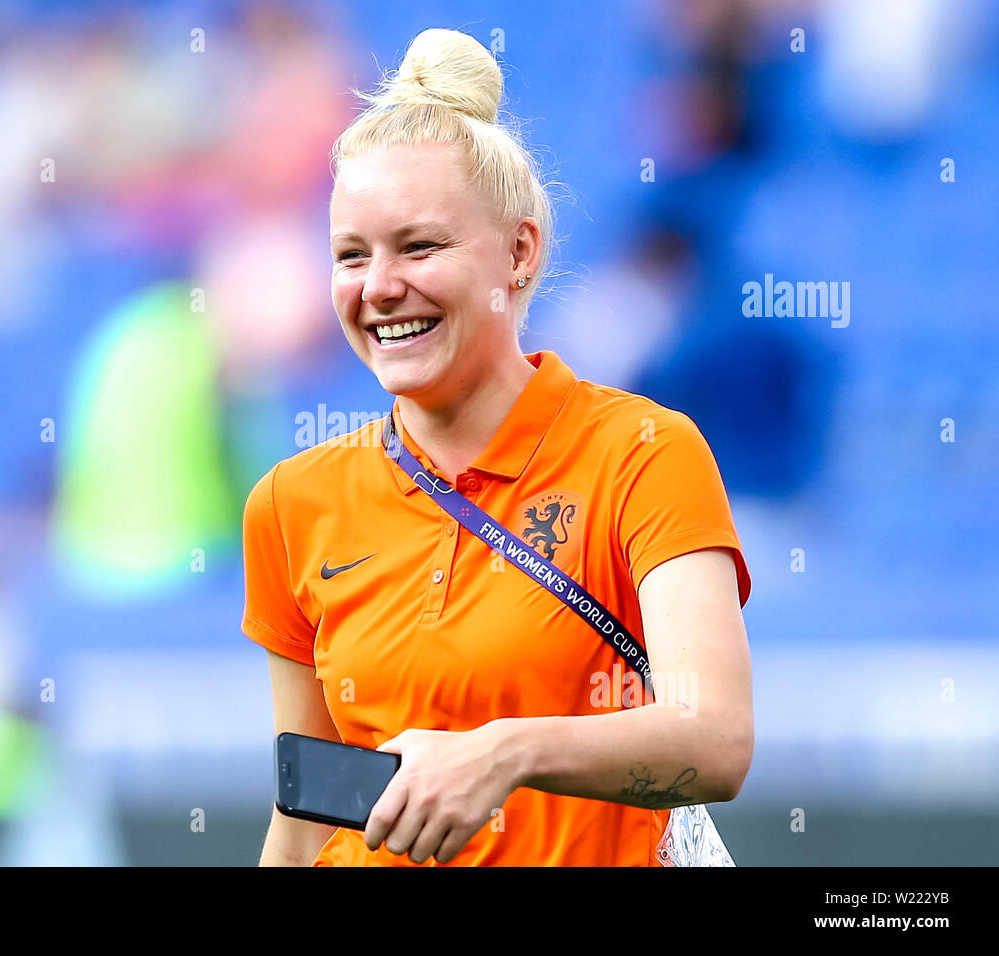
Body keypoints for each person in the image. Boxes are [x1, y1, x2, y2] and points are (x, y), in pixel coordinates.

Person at [241, 27, 753, 866]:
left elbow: (718, 741)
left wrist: (504, 752)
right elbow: (304, 817)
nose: (378, 287)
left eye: (420, 246)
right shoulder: (291, 503)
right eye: (349, 255)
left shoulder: (645, 452)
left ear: (519, 253)